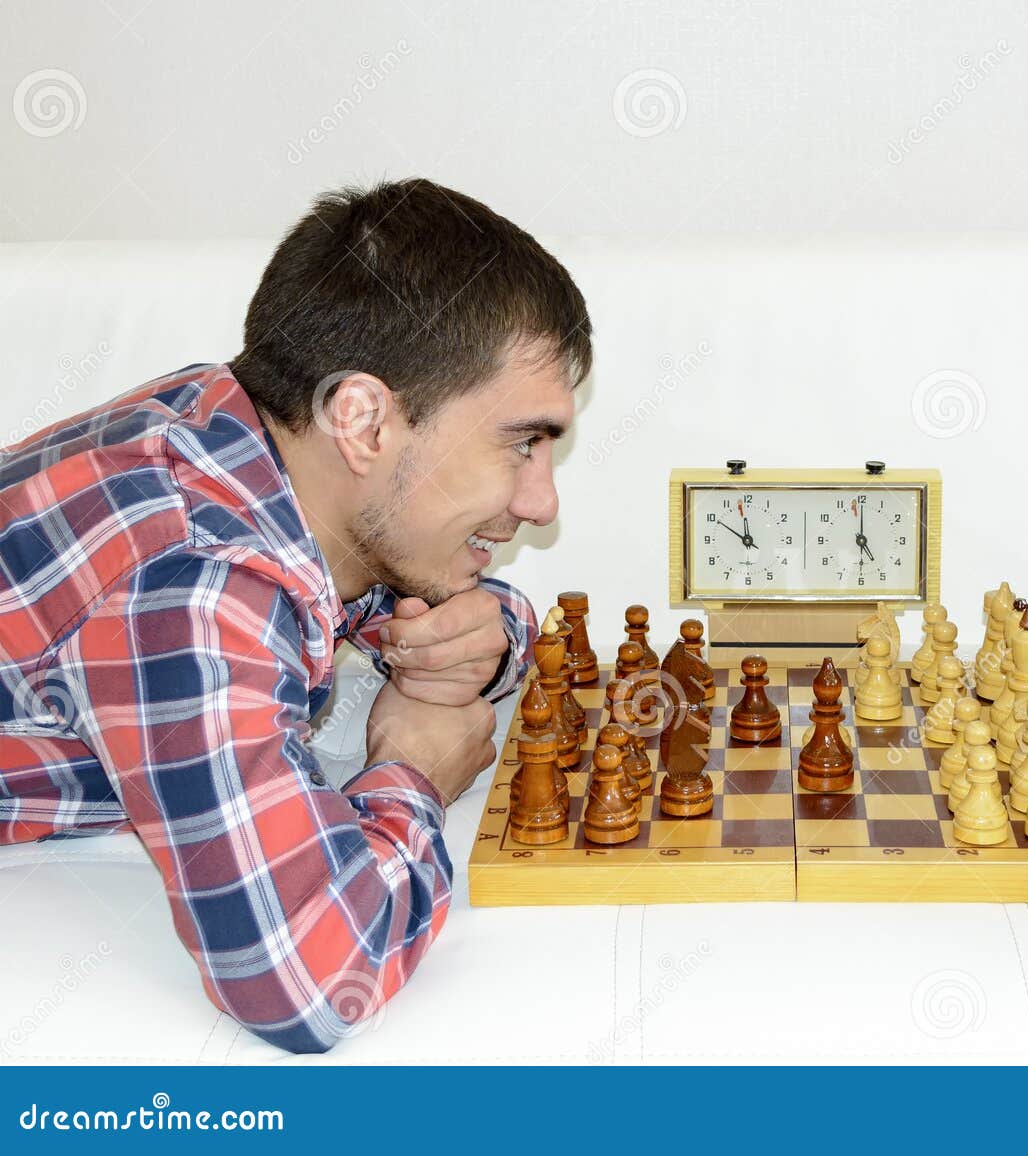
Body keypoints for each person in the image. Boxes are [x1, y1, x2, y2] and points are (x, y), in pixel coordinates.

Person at [0, 178, 592, 1052]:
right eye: (521, 443)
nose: (542, 502)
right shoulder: (193, 583)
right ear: (361, 420)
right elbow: (306, 981)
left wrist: (486, 636)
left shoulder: (235, 431)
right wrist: (414, 772)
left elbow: (375, 575)